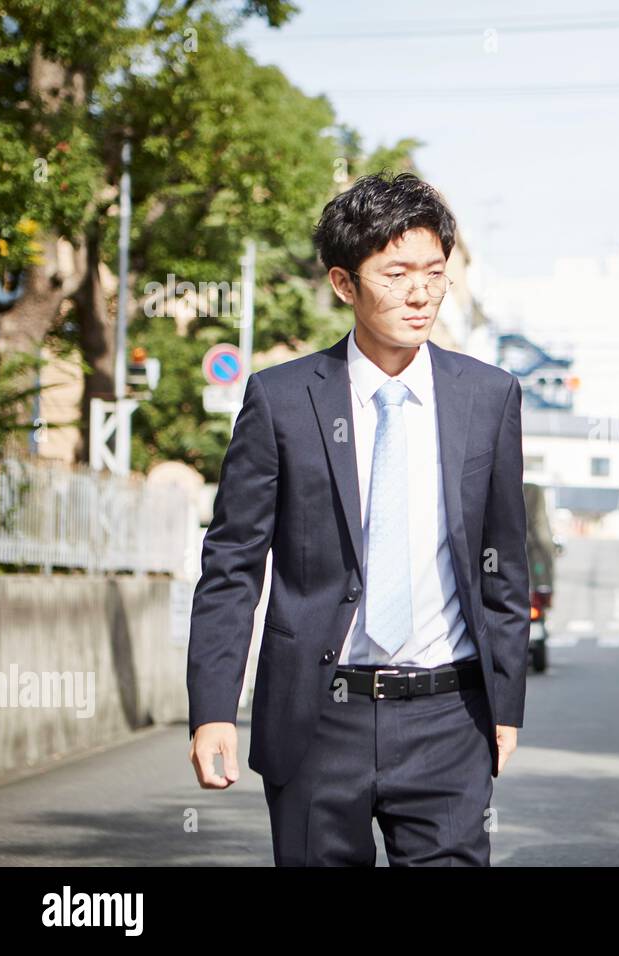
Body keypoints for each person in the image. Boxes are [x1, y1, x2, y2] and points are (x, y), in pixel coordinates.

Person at [186, 172, 530, 866]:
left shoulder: (488, 398)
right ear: (345, 284)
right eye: (396, 272)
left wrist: (506, 703)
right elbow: (232, 566)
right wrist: (213, 708)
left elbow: (504, 565)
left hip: (448, 715)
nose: (420, 293)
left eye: (434, 273)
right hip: (318, 718)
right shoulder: (281, 401)